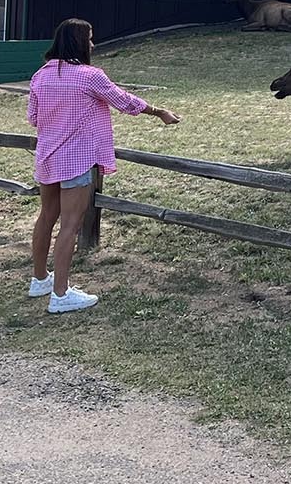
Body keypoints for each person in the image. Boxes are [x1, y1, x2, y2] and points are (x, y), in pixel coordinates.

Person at [26, 18, 179, 313]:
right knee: (70, 226)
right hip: (77, 160)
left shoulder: (40, 76)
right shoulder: (89, 76)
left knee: (46, 217)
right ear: (79, 43)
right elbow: (123, 101)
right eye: (90, 39)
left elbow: (33, 118)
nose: (93, 44)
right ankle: (61, 295)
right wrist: (159, 111)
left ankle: (40, 279)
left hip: (47, 157)